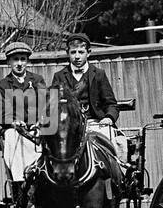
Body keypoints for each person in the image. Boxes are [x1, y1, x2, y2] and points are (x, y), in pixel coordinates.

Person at [50, 33, 127, 163]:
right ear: (67, 53)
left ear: (88, 53)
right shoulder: (59, 77)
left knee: (114, 149)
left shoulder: (99, 75)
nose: (77, 56)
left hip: (96, 123)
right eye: (73, 52)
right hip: (70, 127)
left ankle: (116, 176)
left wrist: (108, 117)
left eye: (81, 52)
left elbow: (111, 104)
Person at [0, 40, 46, 202]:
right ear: (9, 62)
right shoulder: (4, 84)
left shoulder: (37, 80)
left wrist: (41, 120)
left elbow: (45, 104)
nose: (19, 63)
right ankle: (20, 183)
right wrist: (14, 122)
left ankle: (45, 177)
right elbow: (4, 112)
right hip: (16, 129)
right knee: (10, 136)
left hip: (36, 126)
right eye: (15, 59)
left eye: (23, 59)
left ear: (27, 61)